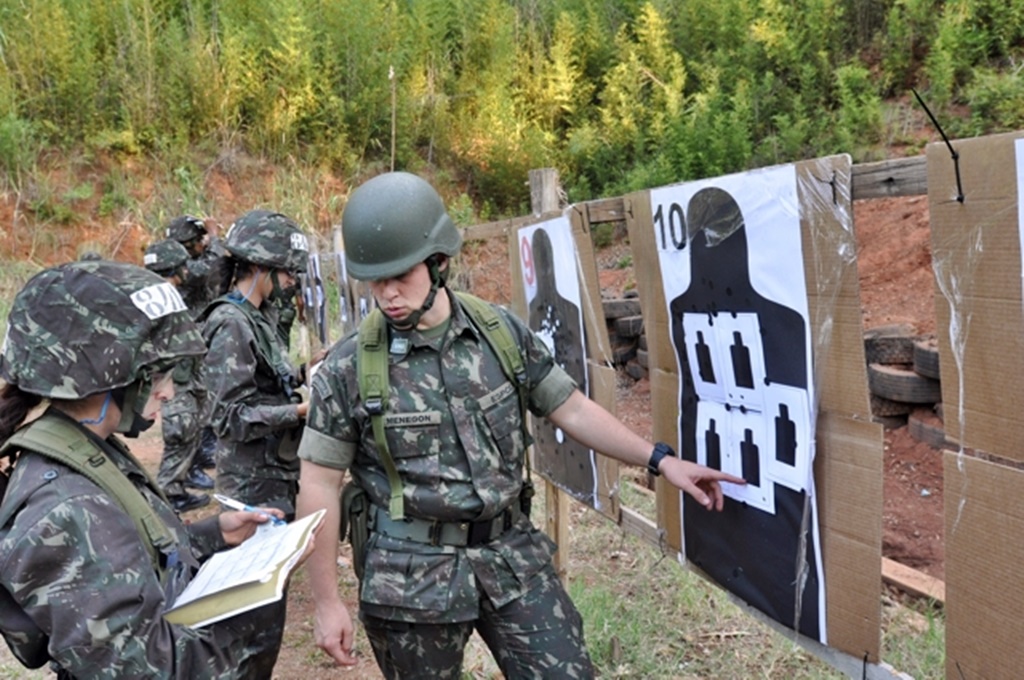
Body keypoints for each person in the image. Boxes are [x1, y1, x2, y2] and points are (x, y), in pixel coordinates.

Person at [294, 172, 745, 678]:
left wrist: (660, 460)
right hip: (410, 577)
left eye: (401, 275)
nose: (388, 294)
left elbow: (570, 407)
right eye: (376, 280)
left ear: (439, 262)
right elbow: (319, 483)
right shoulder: (349, 366)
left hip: (511, 558)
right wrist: (327, 602)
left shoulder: (498, 334)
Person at [0, 260, 307, 678]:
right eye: (158, 373)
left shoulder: (88, 449)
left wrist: (214, 535)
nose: (168, 391)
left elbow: (133, 555)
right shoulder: (68, 505)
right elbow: (154, 669)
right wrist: (259, 601)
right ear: (105, 373)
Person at [199, 209, 316, 672]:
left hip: (273, 476)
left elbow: (268, 386)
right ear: (263, 267)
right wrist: (300, 412)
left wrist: (310, 375)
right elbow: (227, 415)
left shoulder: (258, 319)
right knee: (253, 622)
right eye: (287, 272)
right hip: (251, 485)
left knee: (268, 608)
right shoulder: (231, 323)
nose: (291, 282)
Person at [143, 239, 216, 512]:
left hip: (187, 375)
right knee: (179, 433)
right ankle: (166, 496)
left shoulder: (167, 295)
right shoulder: (159, 298)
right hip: (173, 379)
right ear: (174, 267)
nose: (189, 271)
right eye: (183, 266)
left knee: (192, 430)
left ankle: (176, 489)